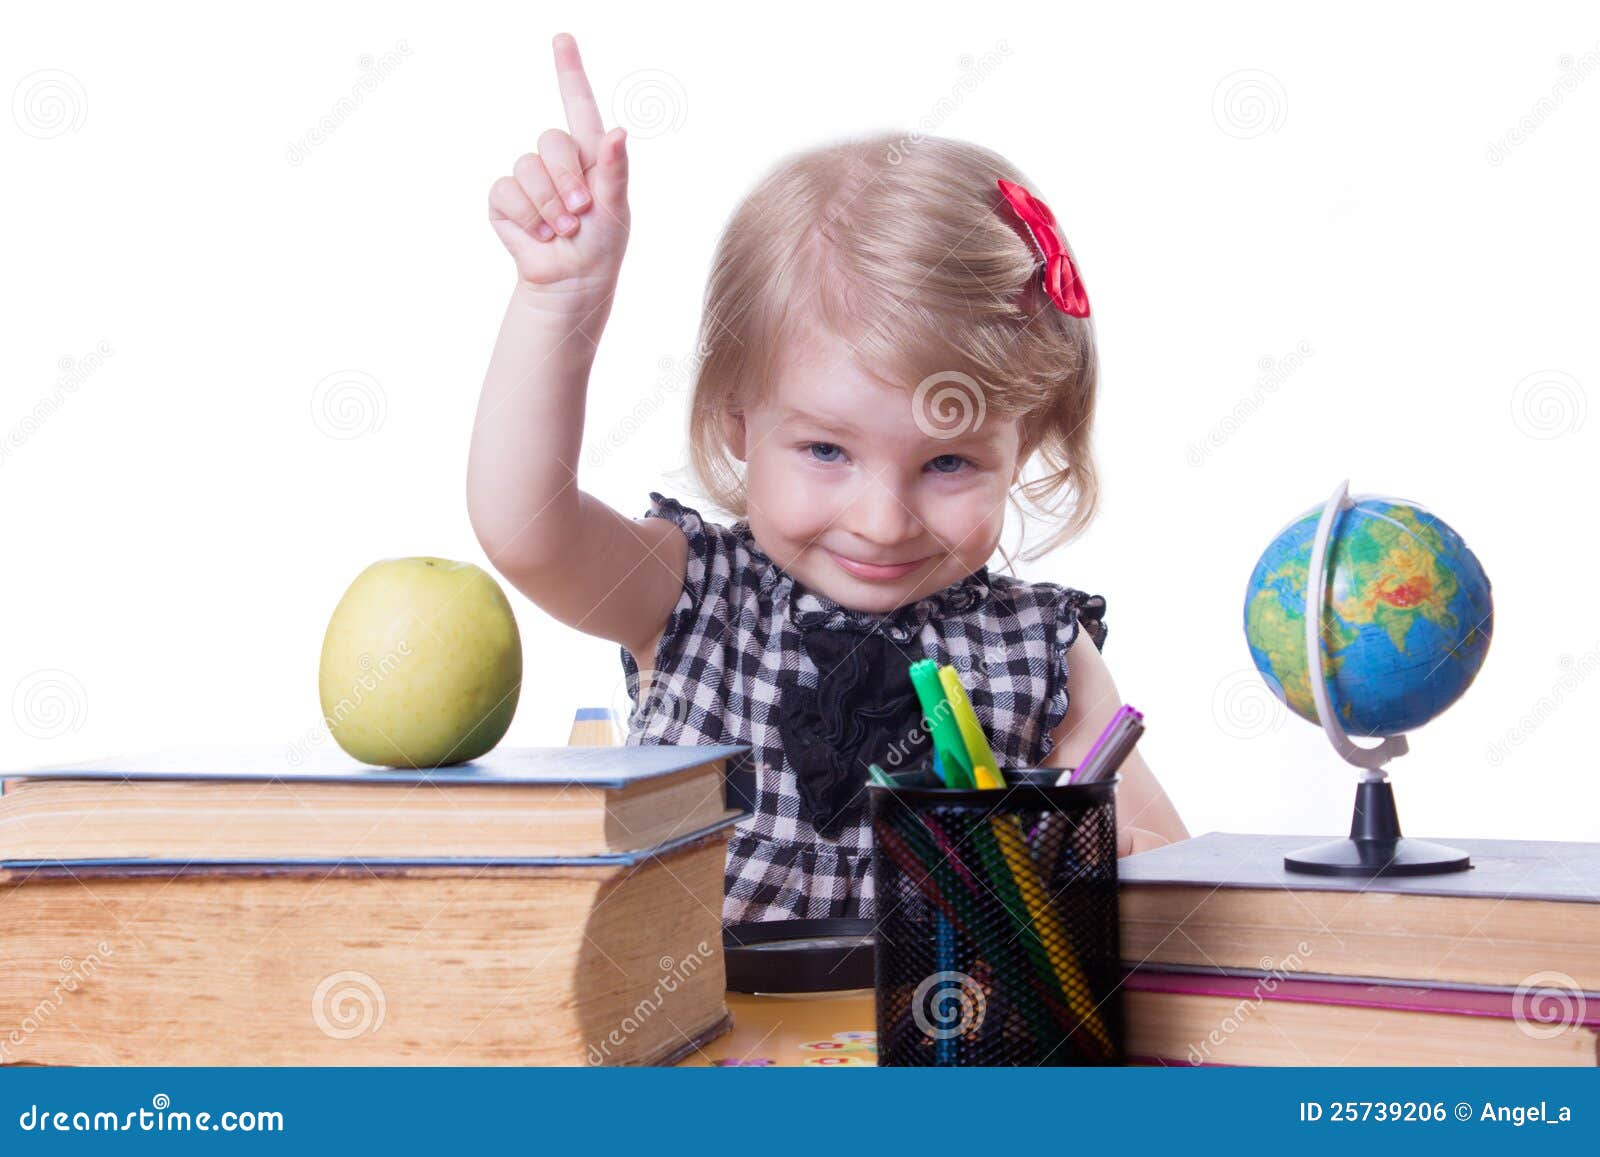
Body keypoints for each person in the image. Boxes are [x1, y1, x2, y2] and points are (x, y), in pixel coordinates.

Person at [467, 33, 1188, 925]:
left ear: (1026, 441)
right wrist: (559, 304)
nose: (883, 521)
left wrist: (1111, 864)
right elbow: (523, 525)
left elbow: (1176, 885)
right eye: (827, 452)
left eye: (949, 462)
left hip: (949, 1049)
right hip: (704, 1051)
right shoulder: (692, 596)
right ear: (740, 421)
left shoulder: (1042, 652)